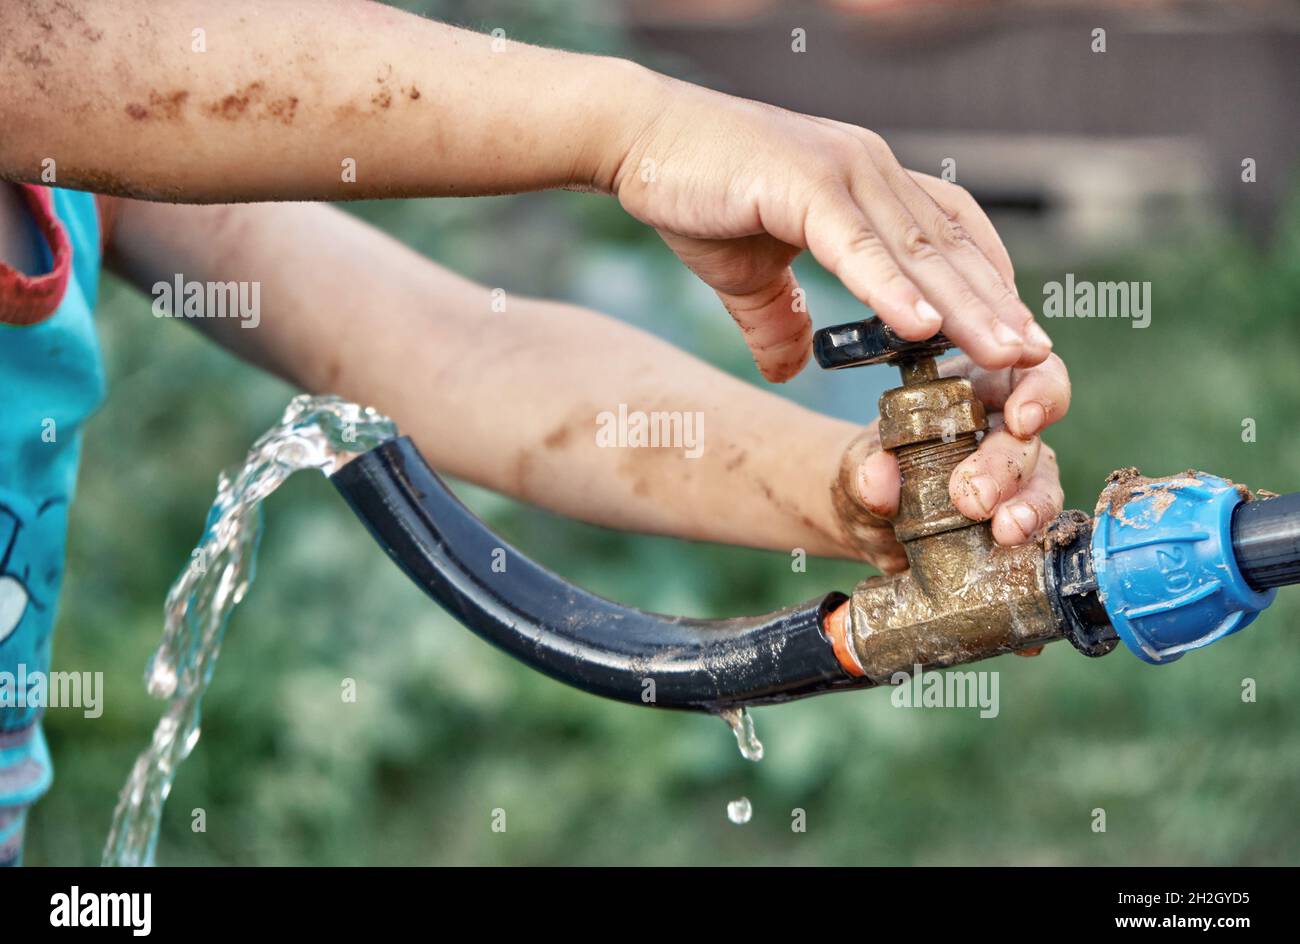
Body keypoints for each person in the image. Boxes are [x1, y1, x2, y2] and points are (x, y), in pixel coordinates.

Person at [0, 2, 1069, 864]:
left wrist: (860, 488)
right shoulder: (51, 80)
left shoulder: (87, 180)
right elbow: (63, 55)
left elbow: (462, 353)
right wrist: (636, 126)